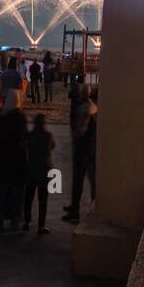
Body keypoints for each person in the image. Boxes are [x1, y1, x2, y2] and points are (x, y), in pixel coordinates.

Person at [0, 90, 28, 231]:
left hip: (1, 163)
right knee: (15, 195)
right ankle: (14, 221)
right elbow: (24, 138)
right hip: (16, 163)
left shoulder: (0, 117)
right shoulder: (20, 117)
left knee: (0, 195)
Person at [64, 84, 98, 223]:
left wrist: (76, 135)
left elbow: (80, 131)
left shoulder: (86, 109)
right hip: (92, 148)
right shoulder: (95, 107)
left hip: (82, 150)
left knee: (78, 181)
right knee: (93, 181)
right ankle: (94, 209)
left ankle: (75, 212)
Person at [23, 113, 55, 233]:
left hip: (31, 168)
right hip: (44, 169)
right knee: (43, 199)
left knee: (29, 197)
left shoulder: (29, 135)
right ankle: (41, 225)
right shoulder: (48, 136)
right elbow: (52, 147)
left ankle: (27, 221)